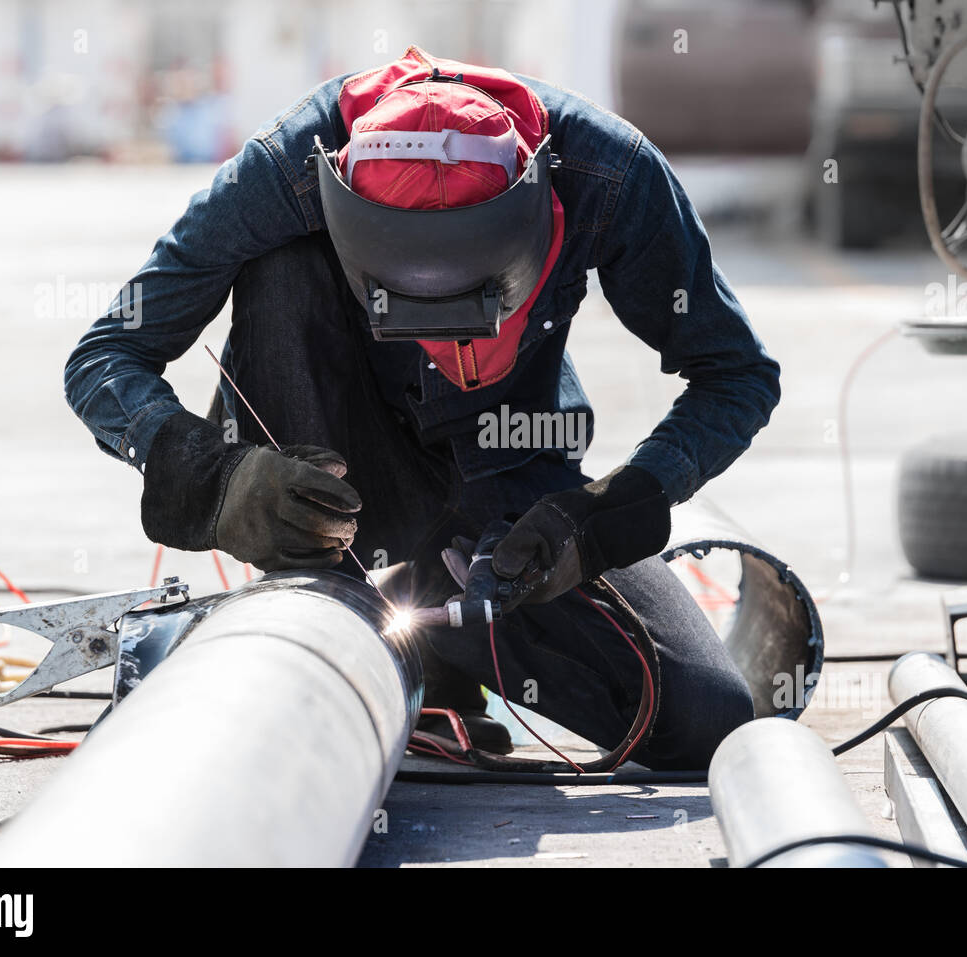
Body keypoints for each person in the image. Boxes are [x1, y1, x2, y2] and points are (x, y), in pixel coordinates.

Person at [65, 48, 781, 769]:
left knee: (705, 718)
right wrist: (215, 482)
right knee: (282, 266)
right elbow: (103, 357)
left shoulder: (610, 176)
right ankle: (321, 585)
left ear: (537, 212)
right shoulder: (283, 172)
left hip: (509, 490)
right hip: (333, 474)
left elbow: (737, 374)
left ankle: (436, 620)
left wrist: (605, 512)